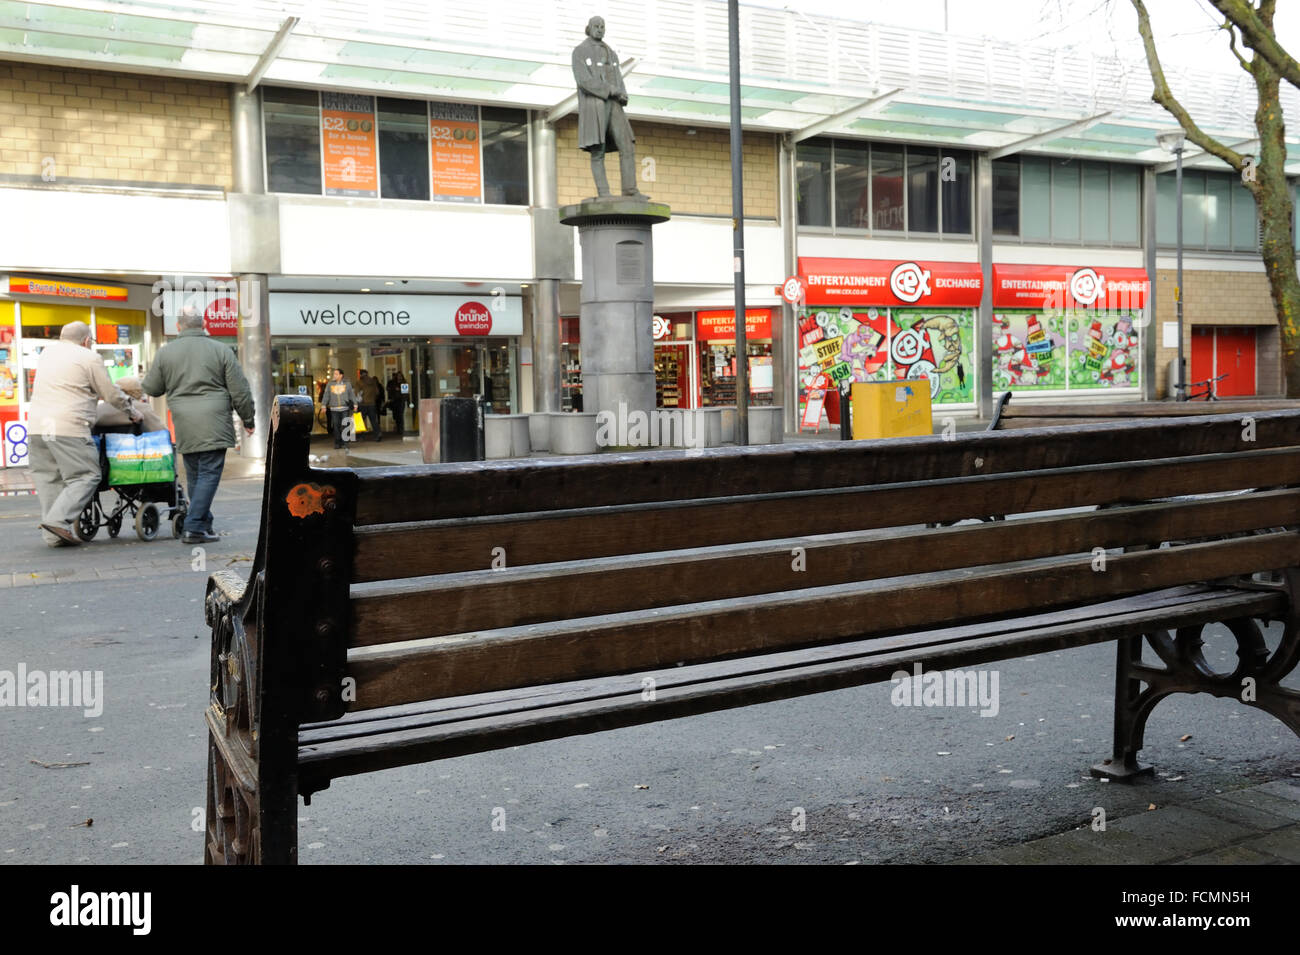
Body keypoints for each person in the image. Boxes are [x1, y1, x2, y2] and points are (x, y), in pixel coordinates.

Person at [141, 307, 254, 545]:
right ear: (204, 326)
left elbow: (152, 388)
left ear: (179, 326)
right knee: (209, 474)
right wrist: (249, 419)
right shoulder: (221, 350)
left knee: (194, 476)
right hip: (214, 420)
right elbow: (240, 390)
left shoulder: (166, 353)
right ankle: (194, 527)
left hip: (183, 421)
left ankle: (203, 523)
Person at [27, 322, 140, 546]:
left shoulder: (47, 354)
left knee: (50, 479)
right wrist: (132, 411)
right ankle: (58, 522)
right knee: (86, 475)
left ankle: (53, 535)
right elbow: (110, 393)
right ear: (87, 340)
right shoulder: (89, 357)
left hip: (38, 427)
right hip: (68, 427)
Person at [572, 16, 646, 200]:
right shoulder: (580, 51)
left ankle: (630, 189)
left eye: (602, 26)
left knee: (627, 144)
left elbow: (618, 76)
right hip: (595, 105)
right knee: (598, 149)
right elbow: (584, 81)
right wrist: (611, 90)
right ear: (588, 28)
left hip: (614, 104)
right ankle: (603, 192)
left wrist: (622, 93)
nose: (599, 29)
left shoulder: (610, 52)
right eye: (596, 26)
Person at [94, 376, 165, 432]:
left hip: (103, 448)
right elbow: (160, 431)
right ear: (138, 391)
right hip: (136, 448)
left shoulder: (98, 409)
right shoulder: (143, 408)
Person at [323, 367, 357, 449]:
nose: (334, 375)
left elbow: (351, 394)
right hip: (334, 409)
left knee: (345, 425)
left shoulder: (347, 384)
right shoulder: (330, 384)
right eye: (334, 374)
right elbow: (326, 395)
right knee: (336, 426)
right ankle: (337, 442)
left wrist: (355, 404)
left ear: (341, 375)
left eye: (336, 374)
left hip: (345, 408)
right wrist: (323, 405)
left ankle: (345, 442)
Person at [357, 369, 384, 443]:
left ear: (361, 374)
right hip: (372, 404)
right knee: (373, 421)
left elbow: (357, 393)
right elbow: (377, 392)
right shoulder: (373, 381)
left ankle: (361, 436)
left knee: (361, 421)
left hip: (363, 404)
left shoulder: (359, 382)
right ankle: (378, 434)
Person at [387, 371, 408, 438]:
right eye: (398, 376)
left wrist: (399, 390)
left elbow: (406, 393)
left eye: (400, 376)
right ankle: (398, 427)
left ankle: (401, 429)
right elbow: (390, 390)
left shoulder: (404, 383)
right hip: (395, 401)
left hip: (401, 401)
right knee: (396, 415)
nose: (399, 377)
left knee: (400, 415)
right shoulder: (393, 383)